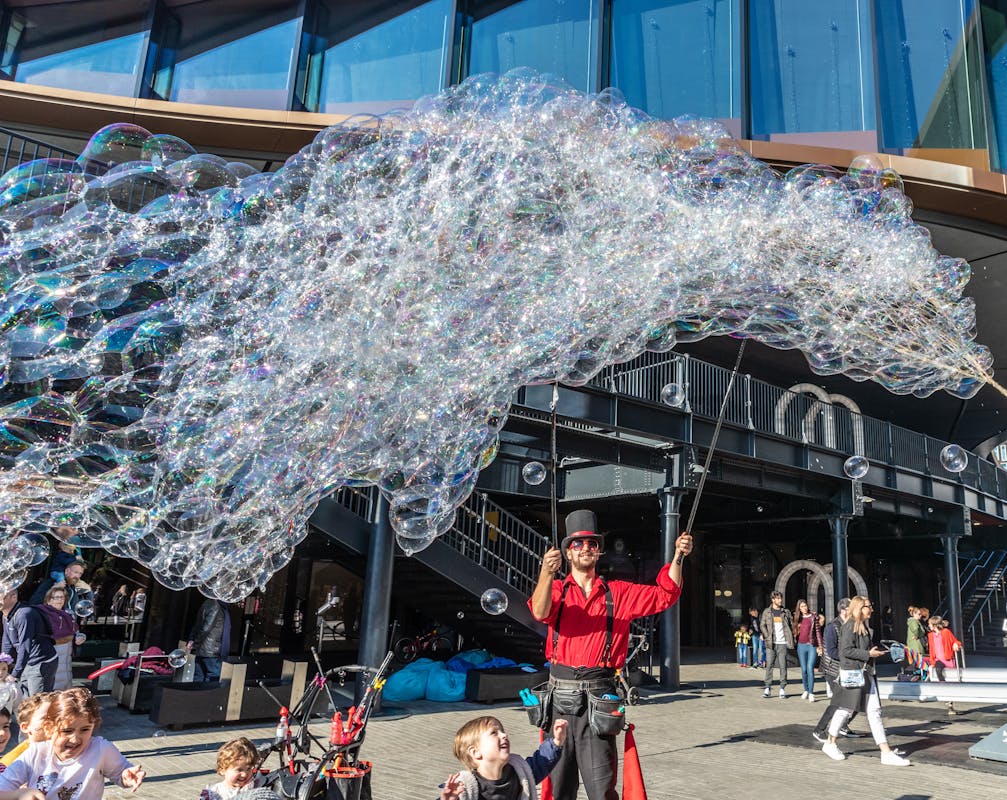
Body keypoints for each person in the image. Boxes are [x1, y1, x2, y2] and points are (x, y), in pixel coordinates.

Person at [528, 509, 692, 800]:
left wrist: (678, 556)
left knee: (602, 790)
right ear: (568, 552)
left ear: (599, 551)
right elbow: (539, 612)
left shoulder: (619, 593)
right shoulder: (556, 590)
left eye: (592, 543)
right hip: (559, 700)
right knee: (558, 789)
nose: (586, 548)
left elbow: (665, 595)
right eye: (578, 543)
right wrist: (546, 572)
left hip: (599, 699)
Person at [0, 687, 145, 799]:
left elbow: (120, 773)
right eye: (67, 731)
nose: (75, 739)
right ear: (49, 728)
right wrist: (20, 794)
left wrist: (126, 777)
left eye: (85, 729)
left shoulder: (101, 749)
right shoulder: (35, 753)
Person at [819, 596, 909, 766]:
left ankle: (885, 752)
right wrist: (869, 654)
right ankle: (830, 743)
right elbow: (845, 651)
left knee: (871, 711)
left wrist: (876, 652)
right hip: (855, 673)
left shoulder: (861, 625)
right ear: (859, 608)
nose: (872, 609)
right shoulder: (850, 625)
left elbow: (858, 650)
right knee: (846, 709)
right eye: (868, 606)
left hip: (864, 673)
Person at [438, 716, 568, 800]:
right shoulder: (464, 787)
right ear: (475, 752)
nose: (504, 735)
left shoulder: (519, 772)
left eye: (502, 731)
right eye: (494, 733)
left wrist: (557, 741)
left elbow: (542, 761)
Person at [811, 598, 866, 742]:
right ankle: (819, 730)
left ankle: (843, 726)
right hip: (833, 669)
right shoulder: (833, 626)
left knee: (857, 698)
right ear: (843, 610)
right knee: (839, 701)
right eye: (851, 607)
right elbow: (831, 651)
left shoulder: (852, 624)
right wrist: (850, 658)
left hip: (847, 668)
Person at [0, 590, 57, 696]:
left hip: (41, 662)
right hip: (27, 662)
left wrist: (15, 673)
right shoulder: (5, 615)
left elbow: (25, 646)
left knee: (38, 701)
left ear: (14, 597)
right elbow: (7, 642)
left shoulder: (24, 614)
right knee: (25, 700)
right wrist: (3, 664)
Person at [200, 736, 272, 799]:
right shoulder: (214, 792)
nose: (244, 774)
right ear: (222, 770)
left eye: (248, 769)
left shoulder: (255, 787)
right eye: (239, 770)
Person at [28, 561, 94, 622]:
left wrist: (88, 591)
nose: (77, 576)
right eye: (75, 572)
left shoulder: (74, 589)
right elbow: (34, 602)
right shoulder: (51, 583)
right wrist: (53, 589)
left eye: (80, 573)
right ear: (66, 571)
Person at [1, 692, 54, 767]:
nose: (55, 722)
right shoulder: (12, 764)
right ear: (25, 727)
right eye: (46, 718)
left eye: (59, 717)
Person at [187, 598, 232, 682]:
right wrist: (195, 643)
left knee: (198, 677)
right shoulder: (216, 606)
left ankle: (195, 691)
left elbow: (198, 625)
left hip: (202, 650)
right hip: (210, 651)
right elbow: (205, 628)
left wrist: (193, 641)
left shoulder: (207, 603)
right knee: (212, 678)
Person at [759, 591, 794, 698]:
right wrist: (767, 636)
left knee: (783, 666)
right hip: (771, 643)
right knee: (769, 665)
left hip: (782, 643)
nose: (780, 600)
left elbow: (791, 625)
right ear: (773, 600)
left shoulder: (786, 612)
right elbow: (762, 625)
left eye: (780, 598)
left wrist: (790, 638)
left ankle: (782, 688)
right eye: (778, 598)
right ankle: (767, 688)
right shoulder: (767, 612)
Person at [927, 615, 963, 715]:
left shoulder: (946, 632)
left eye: (930, 624)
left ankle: (950, 702)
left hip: (947, 659)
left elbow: (956, 641)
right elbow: (931, 650)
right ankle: (945, 693)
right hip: (939, 660)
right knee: (938, 670)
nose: (928, 626)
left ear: (934, 625)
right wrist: (932, 662)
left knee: (950, 681)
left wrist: (956, 644)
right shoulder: (930, 635)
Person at [793, 598, 823, 702]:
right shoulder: (798, 618)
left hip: (811, 645)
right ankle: (805, 689)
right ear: (799, 608)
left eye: (805, 605)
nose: (804, 608)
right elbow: (794, 632)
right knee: (804, 669)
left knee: (810, 668)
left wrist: (820, 646)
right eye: (802, 606)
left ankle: (811, 692)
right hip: (801, 646)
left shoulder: (814, 616)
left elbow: (818, 632)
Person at [904, 605, 927, 677]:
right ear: (914, 614)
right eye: (919, 614)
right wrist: (916, 636)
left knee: (916, 661)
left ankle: (917, 674)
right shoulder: (914, 621)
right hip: (916, 645)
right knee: (918, 660)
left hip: (915, 644)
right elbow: (915, 629)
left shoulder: (913, 621)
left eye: (920, 614)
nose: (920, 616)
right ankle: (918, 674)